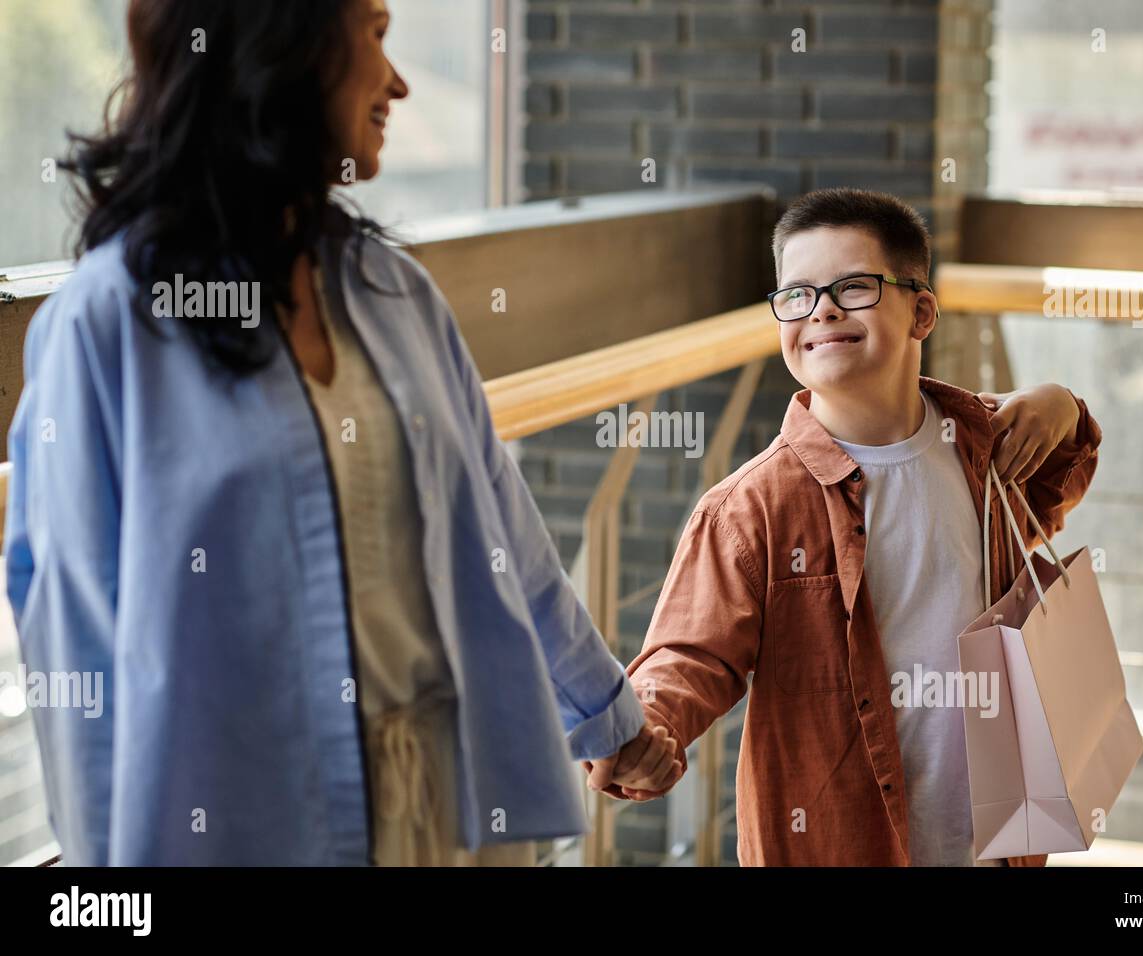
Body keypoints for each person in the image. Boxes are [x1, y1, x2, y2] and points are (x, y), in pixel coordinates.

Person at [4, 0, 677, 866]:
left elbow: (506, 537)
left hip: (448, 815)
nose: (397, 81)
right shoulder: (105, 329)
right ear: (284, 46)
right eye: (375, 33)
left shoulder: (394, 294)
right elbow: (78, 668)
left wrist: (608, 718)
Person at [590, 188, 1102, 866]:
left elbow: (1061, 474)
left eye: (853, 287)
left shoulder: (985, 446)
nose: (821, 308)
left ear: (922, 312)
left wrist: (1062, 406)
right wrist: (650, 727)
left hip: (995, 842)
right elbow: (691, 656)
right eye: (796, 295)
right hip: (839, 841)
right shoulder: (749, 507)